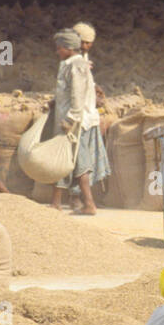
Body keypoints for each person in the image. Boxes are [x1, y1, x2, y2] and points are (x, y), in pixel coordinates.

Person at [50, 28, 109, 215]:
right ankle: (60, 202)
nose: (57, 51)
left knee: (76, 162)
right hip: (69, 120)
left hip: (76, 122)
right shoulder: (69, 63)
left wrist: (71, 119)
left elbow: (78, 96)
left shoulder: (77, 65)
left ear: (68, 47)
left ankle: (86, 204)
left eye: (59, 48)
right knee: (67, 160)